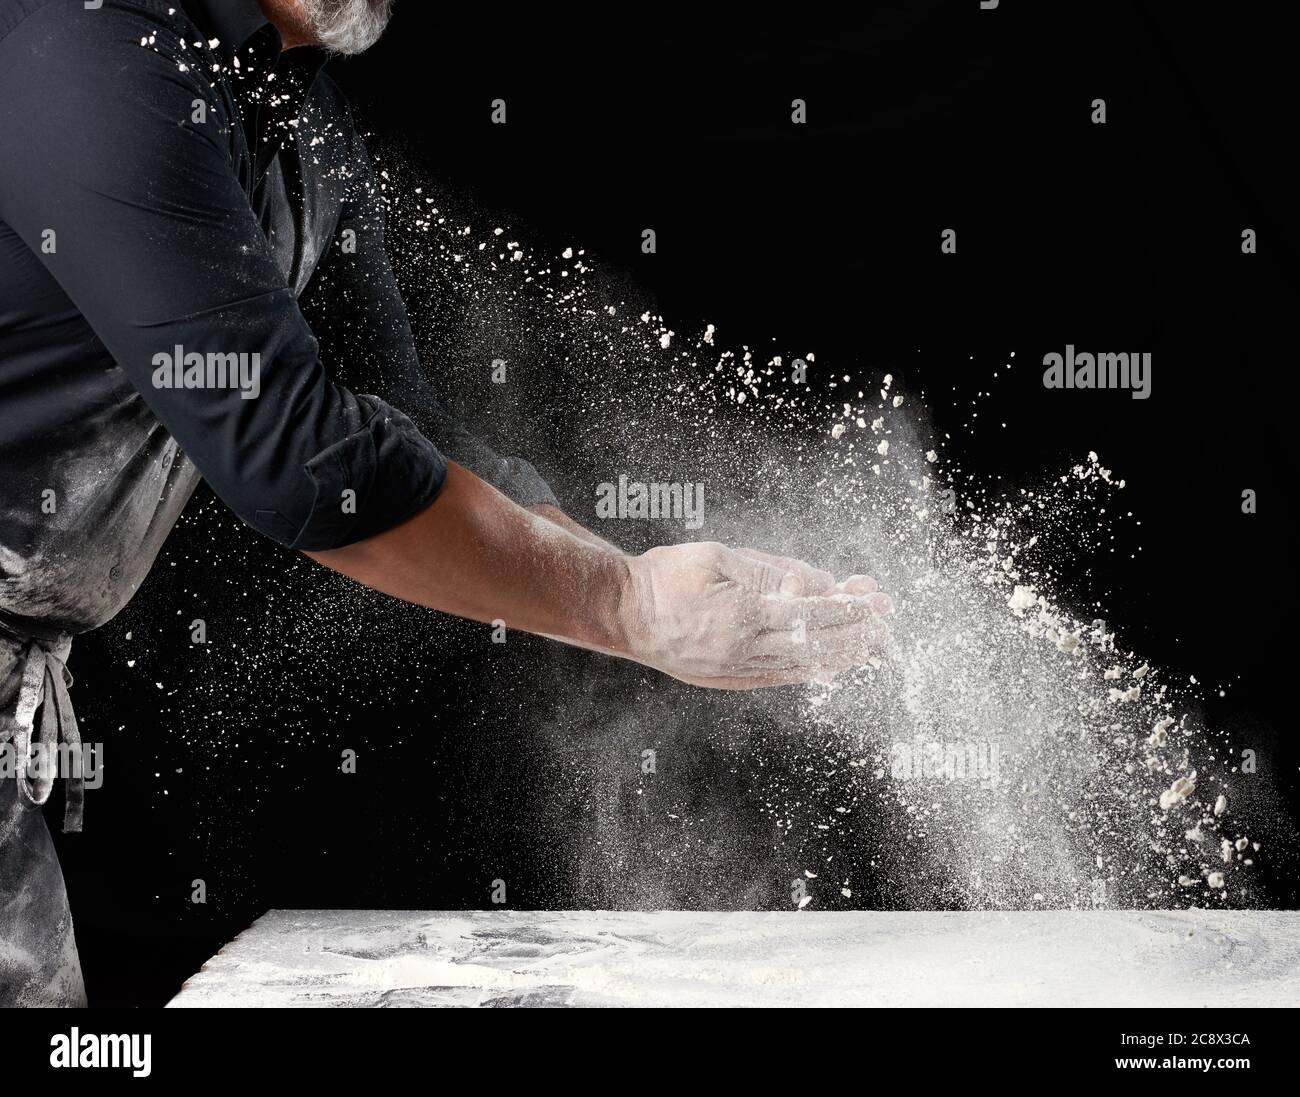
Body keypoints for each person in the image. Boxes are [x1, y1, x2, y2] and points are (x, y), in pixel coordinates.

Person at [0, 0, 892, 1005]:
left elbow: (403, 422)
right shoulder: (92, 52)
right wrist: (629, 607)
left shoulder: (303, 121)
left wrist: (646, 582)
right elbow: (292, 451)